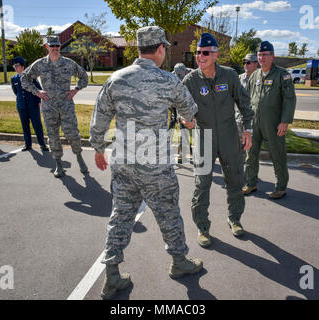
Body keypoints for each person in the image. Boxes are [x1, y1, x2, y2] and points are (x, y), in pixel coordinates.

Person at [90, 26, 202, 300]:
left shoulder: (116, 78)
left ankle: (112, 275)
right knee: (168, 213)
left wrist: (98, 149)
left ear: (140, 49)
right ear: (161, 48)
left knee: (120, 215)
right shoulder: (168, 80)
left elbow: (99, 119)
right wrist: (188, 120)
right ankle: (179, 262)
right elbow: (189, 112)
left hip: (124, 163)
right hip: (155, 165)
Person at [181, 33, 254, 245]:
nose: (200, 56)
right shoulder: (190, 81)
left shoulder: (230, 76)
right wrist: (186, 120)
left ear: (215, 55)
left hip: (230, 136)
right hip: (204, 137)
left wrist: (247, 130)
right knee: (202, 184)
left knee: (235, 180)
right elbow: (184, 109)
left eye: (205, 53)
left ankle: (235, 219)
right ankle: (203, 227)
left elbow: (245, 104)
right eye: (197, 52)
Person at [21, 35, 89, 178]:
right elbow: (24, 78)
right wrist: (37, 92)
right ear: (47, 47)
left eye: (57, 46)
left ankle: (79, 157)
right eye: (52, 46)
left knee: (72, 134)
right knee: (53, 135)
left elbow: (84, 76)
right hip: (48, 106)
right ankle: (58, 164)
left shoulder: (69, 63)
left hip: (66, 105)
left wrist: (76, 89)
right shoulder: (40, 64)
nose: (55, 48)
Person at [243, 41, 296, 199]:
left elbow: (289, 99)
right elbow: (247, 98)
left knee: (277, 154)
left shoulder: (282, 75)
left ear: (272, 56)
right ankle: (251, 183)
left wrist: (285, 121)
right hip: (255, 122)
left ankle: (281, 187)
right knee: (251, 153)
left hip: (273, 123)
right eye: (259, 55)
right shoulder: (255, 76)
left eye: (265, 55)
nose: (261, 58)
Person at [11, 57, 49, 152]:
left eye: (17, 66)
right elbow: (16, 92)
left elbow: (38, 90)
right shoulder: (14, 79)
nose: (15, 67)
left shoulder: (31, 77)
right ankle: (28, 144)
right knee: (25, 125)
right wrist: (21, 102)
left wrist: (38, 102)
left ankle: (42, 144)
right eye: (14, 66)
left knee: (37, 125)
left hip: (33, 105)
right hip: (21, 106)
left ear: (23, 67)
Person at [171, 63, 193, 163]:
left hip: (192, 102)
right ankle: (181, 153)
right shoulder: (171, 76)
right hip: (179, 103)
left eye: (181, 75)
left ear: (185, 72)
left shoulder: (192, 74)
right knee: (181, 126)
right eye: (177, 75)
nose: (179, 78)